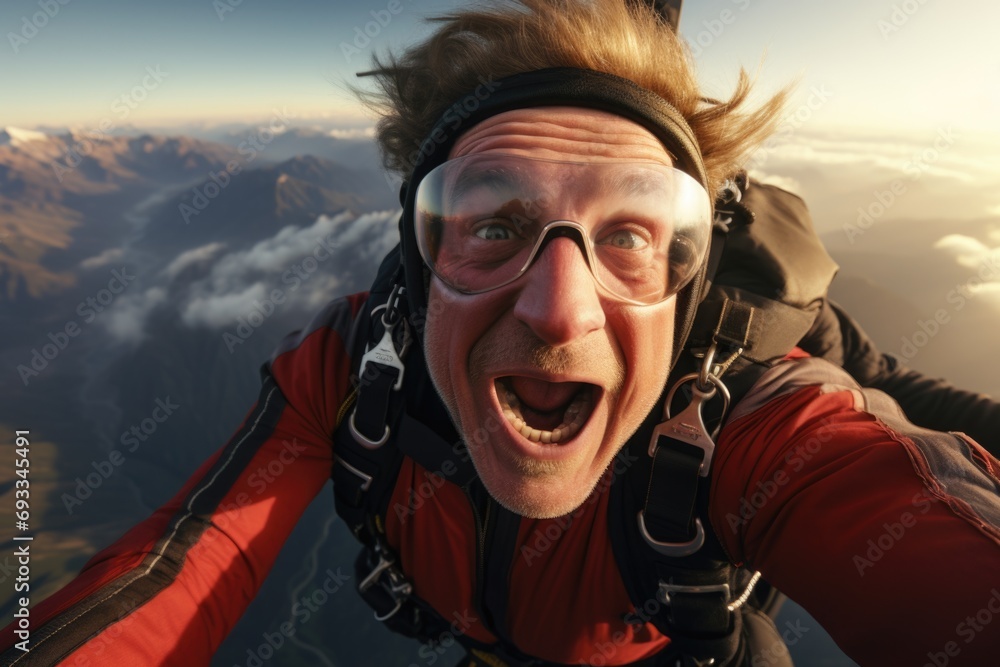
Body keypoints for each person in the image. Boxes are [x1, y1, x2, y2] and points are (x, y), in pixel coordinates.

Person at [4, 1, 1000, 665]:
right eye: (491, 224)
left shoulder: (747, 422)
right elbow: (176, 570)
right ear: (416, 260)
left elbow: (904, 524)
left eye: (633, 234)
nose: (558, 308)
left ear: (687, 287)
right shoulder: (352, 370)